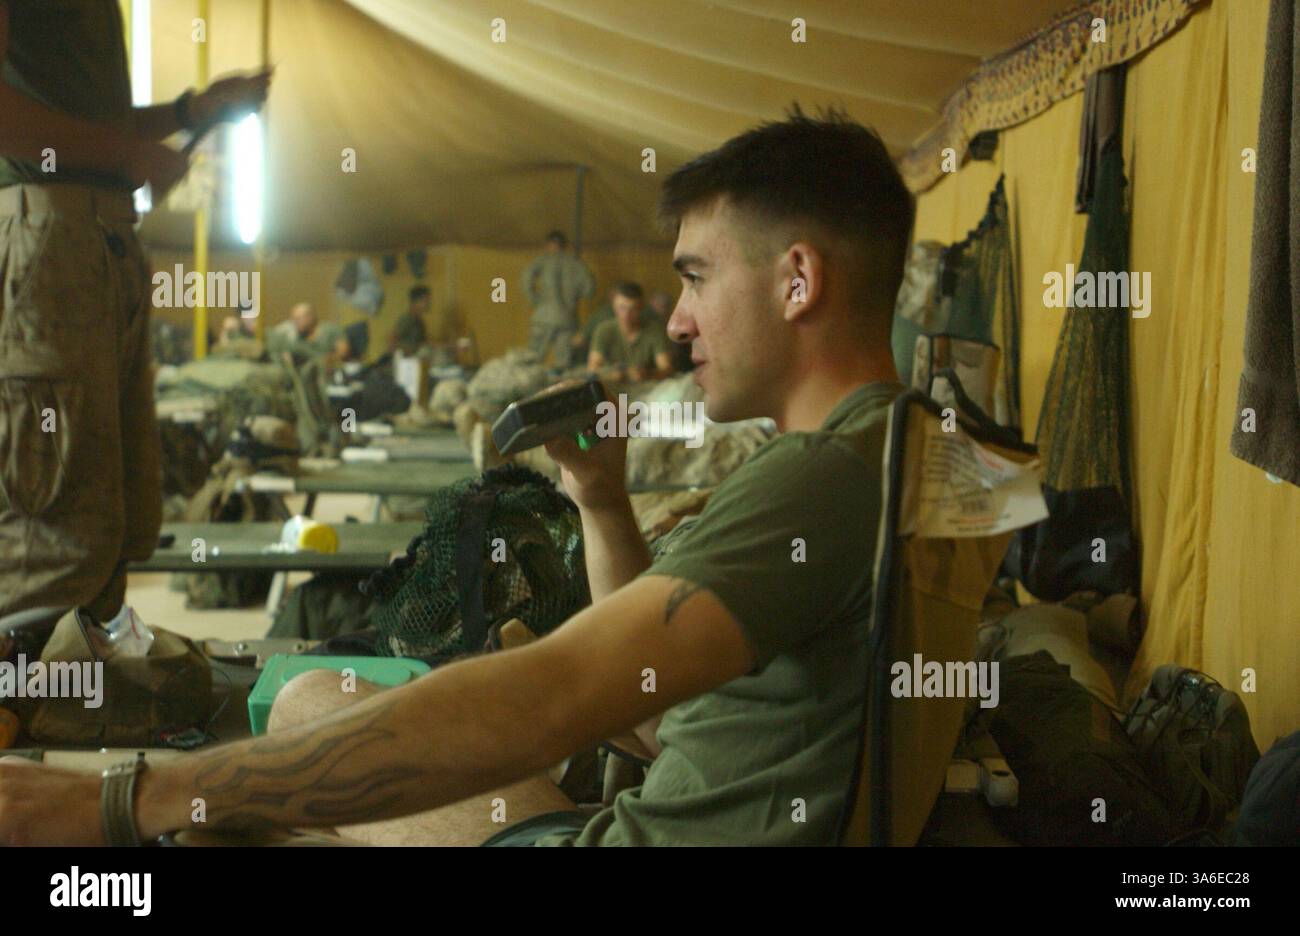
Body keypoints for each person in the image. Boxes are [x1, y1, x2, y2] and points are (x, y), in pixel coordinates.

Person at [0, 108, 914, 847]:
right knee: (314, 704)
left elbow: (547, 702)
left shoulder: (819, 477)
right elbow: (660, 706)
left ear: (797, 281)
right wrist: (598, 493)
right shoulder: (889, 449)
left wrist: (120, 804)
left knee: (297, 723)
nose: (676, 322)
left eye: (696, 278)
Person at [0, 0, 270, 621]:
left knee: (114, 528)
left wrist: (187, 113)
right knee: (54, 545)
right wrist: (126, 156)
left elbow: (84, 120)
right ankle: (34, 703)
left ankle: (84, 702)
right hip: (51, 242)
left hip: (95, 243)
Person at [521, 229, 595, 369]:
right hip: (566, 318)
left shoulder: (542, 261)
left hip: (543, 316)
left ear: (548, 244)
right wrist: (575, 295)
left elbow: (526, 279)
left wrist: (535, 300)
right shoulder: (575, 263)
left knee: (532, 360)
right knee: (563, 363)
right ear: (564, 245)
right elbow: (589, 288)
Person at [587, 281, 675, 382]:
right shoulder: (604, 330)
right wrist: (611, 375)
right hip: (613, 389)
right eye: (622, 307)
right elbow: (592, 370)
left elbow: (667, 369)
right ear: (613, 306)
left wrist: (646, 374)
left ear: (641, 307)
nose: (626, 315)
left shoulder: (654, 330)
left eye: (633, 309)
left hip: (647, 388)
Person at [267, 302, 343, 363]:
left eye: (298, 319)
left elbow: (343, 351)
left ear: (310, 317)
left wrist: (330, 359)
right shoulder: (298, 338)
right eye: (293, 319)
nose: (294, 323)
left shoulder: (329, 329)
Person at [389, 285, 431, 357]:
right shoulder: (407, 319)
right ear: (416, 302)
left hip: (414, 361)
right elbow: (391, 341)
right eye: (425, 301)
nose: (428, 304)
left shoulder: (419, 322)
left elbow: (425, 342)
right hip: (405, 362)